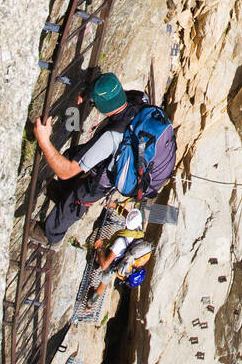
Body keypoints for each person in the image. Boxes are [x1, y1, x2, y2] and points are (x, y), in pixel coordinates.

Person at [28, 73, 149, 248]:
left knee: (79, 197)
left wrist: (44, 140)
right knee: (72, 154)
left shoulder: (111, 136)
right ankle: (63, 194)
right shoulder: (138, 100)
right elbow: (114, 97)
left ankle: (50, 235)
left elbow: (66, 171)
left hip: (109, 172)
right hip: (131, 155)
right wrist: (90, 94)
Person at [88, 207, 154, 306]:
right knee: (106, 278)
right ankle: (90, 304)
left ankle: (96, 261)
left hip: (114, 258)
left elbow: (105, 265)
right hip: (122, 257)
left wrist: (99, 248)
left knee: (105, 270)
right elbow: (128, 216)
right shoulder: (137, 229)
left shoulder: (125, 239)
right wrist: (115, 206)